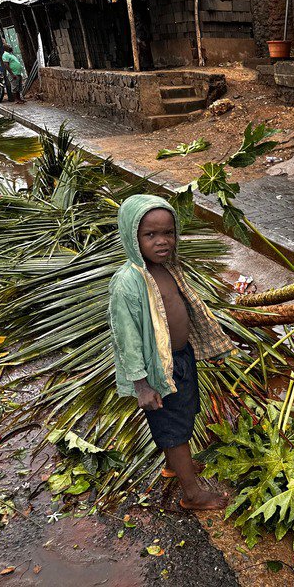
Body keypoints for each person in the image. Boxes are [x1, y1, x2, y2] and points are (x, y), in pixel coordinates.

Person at [108, 194, 234, 510]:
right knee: (173, 427)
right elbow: (127, 339)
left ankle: (175, 466)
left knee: (184, 414)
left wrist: (210, 347)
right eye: (150, 235)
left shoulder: (168, 268)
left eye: (168, 233)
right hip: (157, 371)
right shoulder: (128, 282)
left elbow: (190, 310)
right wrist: (141, 384)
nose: (162, 242)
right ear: (131, 236)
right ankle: (192, 494)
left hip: (181, 358)